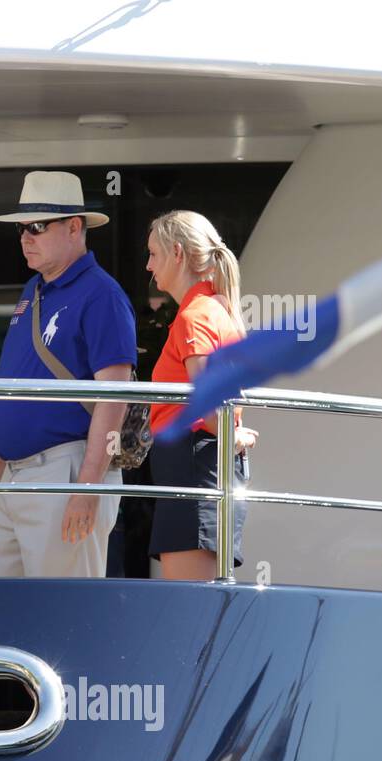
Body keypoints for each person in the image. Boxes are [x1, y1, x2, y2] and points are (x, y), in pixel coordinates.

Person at [0, 171, 136, 578]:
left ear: (73, 227)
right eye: (20, 229)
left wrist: (87, 489)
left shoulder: (102, 294)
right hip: (17, 475)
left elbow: (114, 396)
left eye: (36, 227)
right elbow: (17, 385)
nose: (25, 238)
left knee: (62, 620)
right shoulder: (33, 289)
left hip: (65, 472)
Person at [145, 210, 256, 579]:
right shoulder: (211, 309)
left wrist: (232, 433)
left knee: (192, 614)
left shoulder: (197, 315)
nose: (148, 266)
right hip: (199, 466)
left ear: (178, 253)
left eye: (154, 254)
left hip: (193, 467)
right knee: (201, 611)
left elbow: (211, 404)